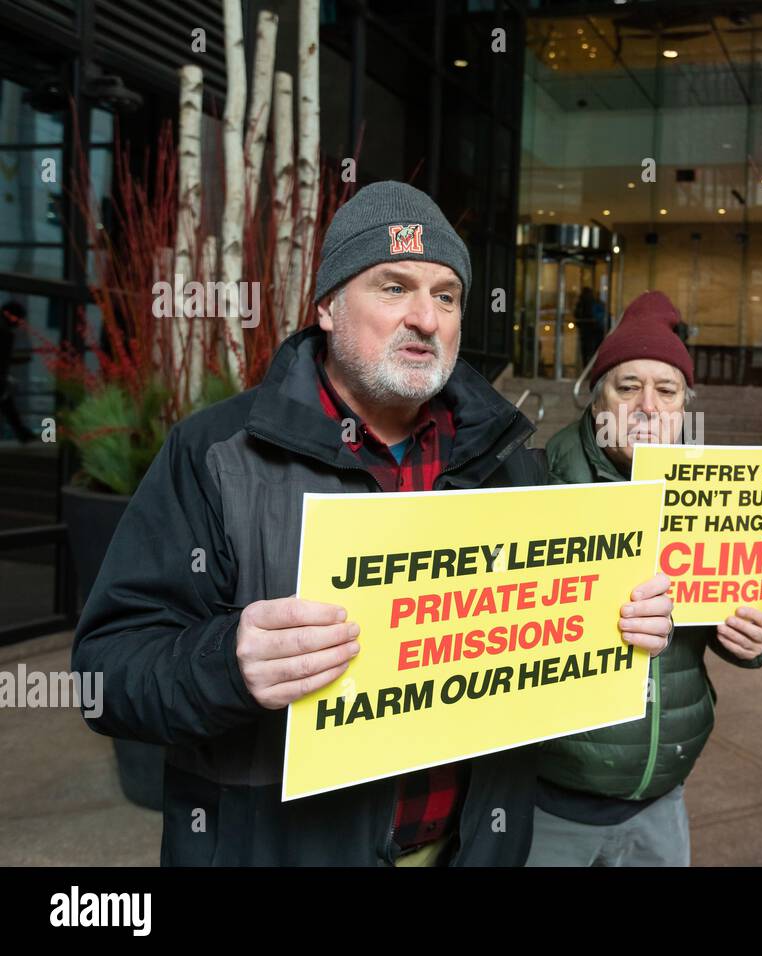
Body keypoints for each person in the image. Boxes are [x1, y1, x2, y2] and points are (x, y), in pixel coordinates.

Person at [71, 181, 674, 867]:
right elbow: (105, 675)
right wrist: (224, 663)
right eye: (394, 288)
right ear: (328, 306)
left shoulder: (508, 464)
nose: (426, 318)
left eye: (446, 296)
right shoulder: (215, 455)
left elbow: (534, 645)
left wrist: (622, 622)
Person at [526, 290, 762, 866]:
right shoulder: (536, 485)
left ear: (684, 410)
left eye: (666, 391)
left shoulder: (711, 500)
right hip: (553, 802)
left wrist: (754, 642)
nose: (647, 405)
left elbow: (729, 617)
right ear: (596, 401)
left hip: (663, 800)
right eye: (627, 386)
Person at [0, 300, 37, 443]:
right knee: (8, 406)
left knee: (8, 406)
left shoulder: (5, 331)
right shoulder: (5, 333)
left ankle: (22, 432)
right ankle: (22, 433)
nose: (19, 322)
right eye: (18, 318)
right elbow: (3, 359)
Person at [573, 286, 606, 369]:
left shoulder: (581, 303)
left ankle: (586, 367)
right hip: (595, 330)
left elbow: (576, 314)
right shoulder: (595, 302)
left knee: (585, 350)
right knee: (594, 350)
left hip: (586, 330)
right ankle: (593, 368)